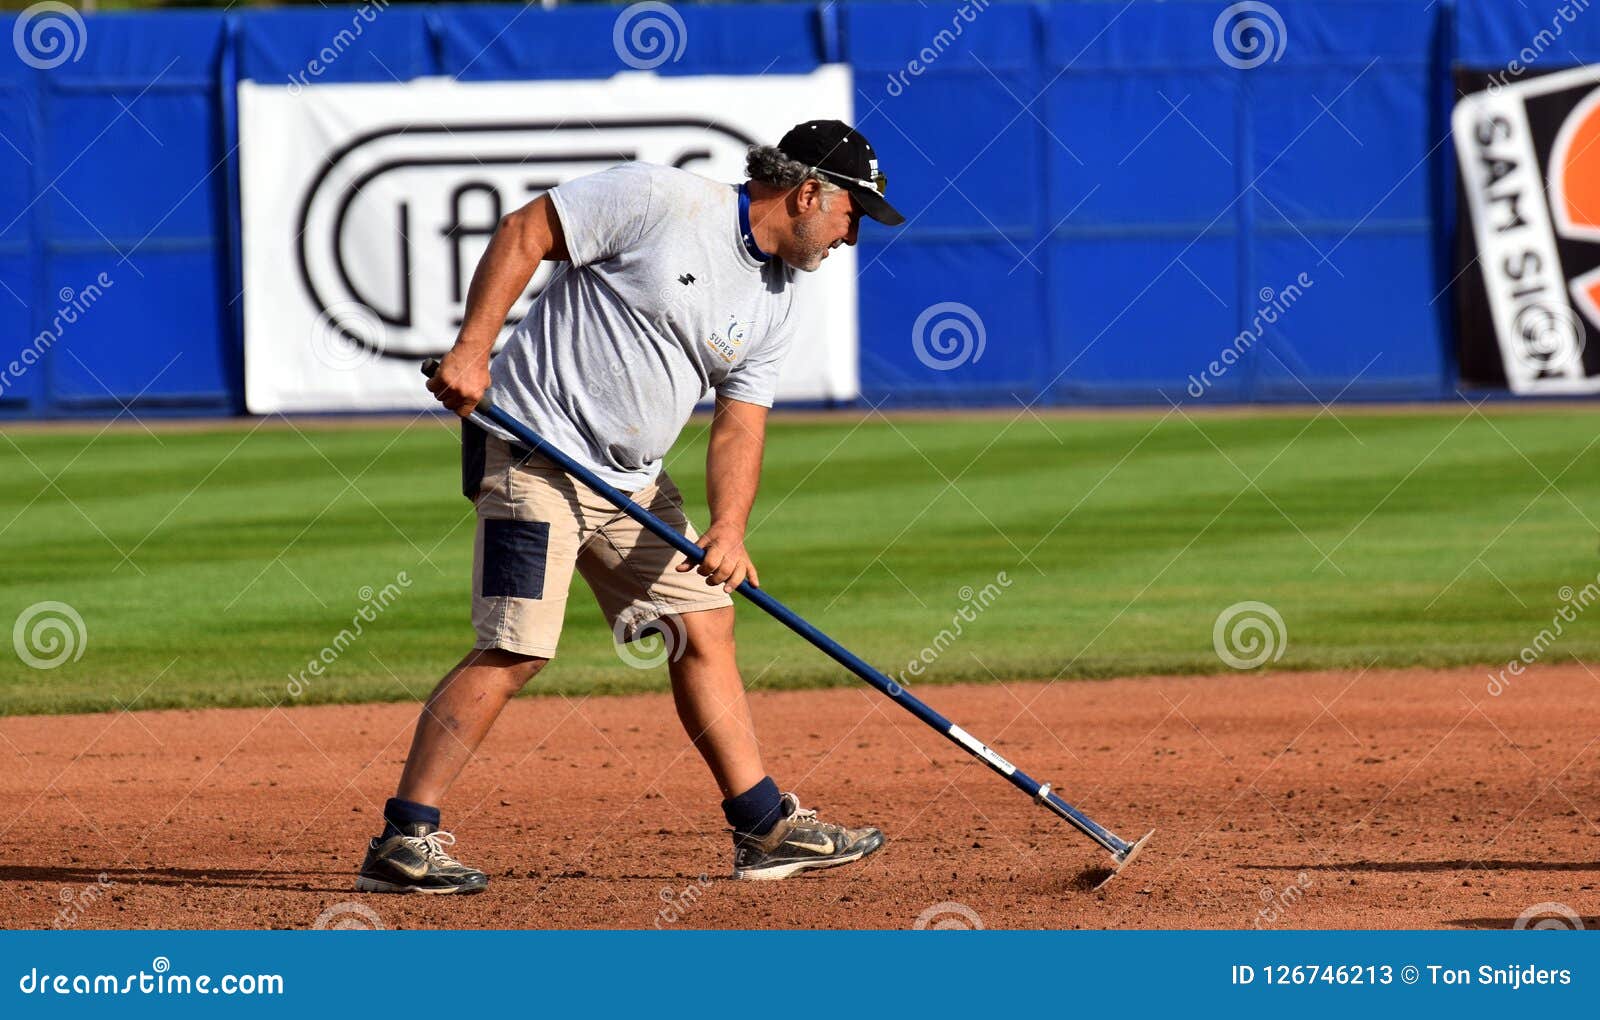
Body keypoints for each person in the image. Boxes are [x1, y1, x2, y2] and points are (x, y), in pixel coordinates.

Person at [356, 120, 907, 894]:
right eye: (854, 214)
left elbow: (740, 420)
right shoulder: (659, 197)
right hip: (533, 453)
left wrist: (729, 527)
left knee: (704, 620)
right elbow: (525, 231)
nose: (852, 236)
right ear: (808, 191)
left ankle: (762, 829)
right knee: (518, 646)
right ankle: (404, 837)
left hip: (630, 484)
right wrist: (473, 350)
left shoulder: (780, 299)